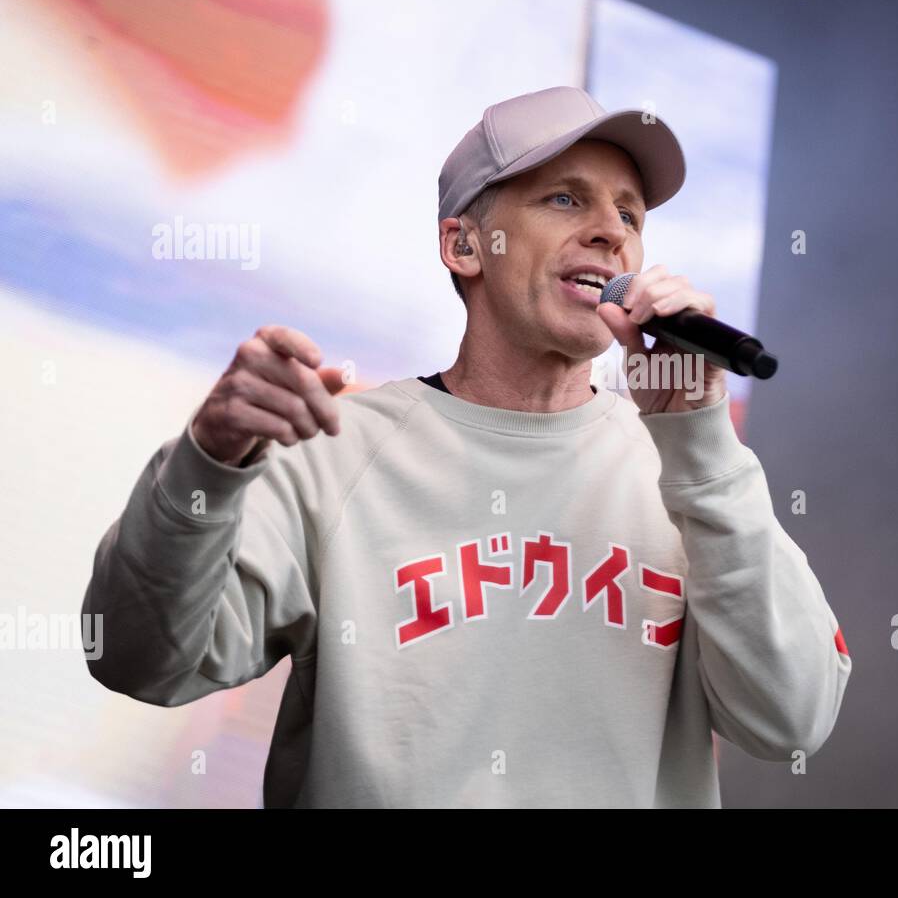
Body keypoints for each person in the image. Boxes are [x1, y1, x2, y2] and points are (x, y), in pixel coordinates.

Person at [82, 85, 852, 807]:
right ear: (465, 245)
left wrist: (704, 449)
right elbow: (140, 662)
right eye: (564, 198)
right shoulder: (334, 449)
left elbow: (792, 718)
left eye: (631, 214)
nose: (612, 231)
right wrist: (208, 462)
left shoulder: (688, 471)